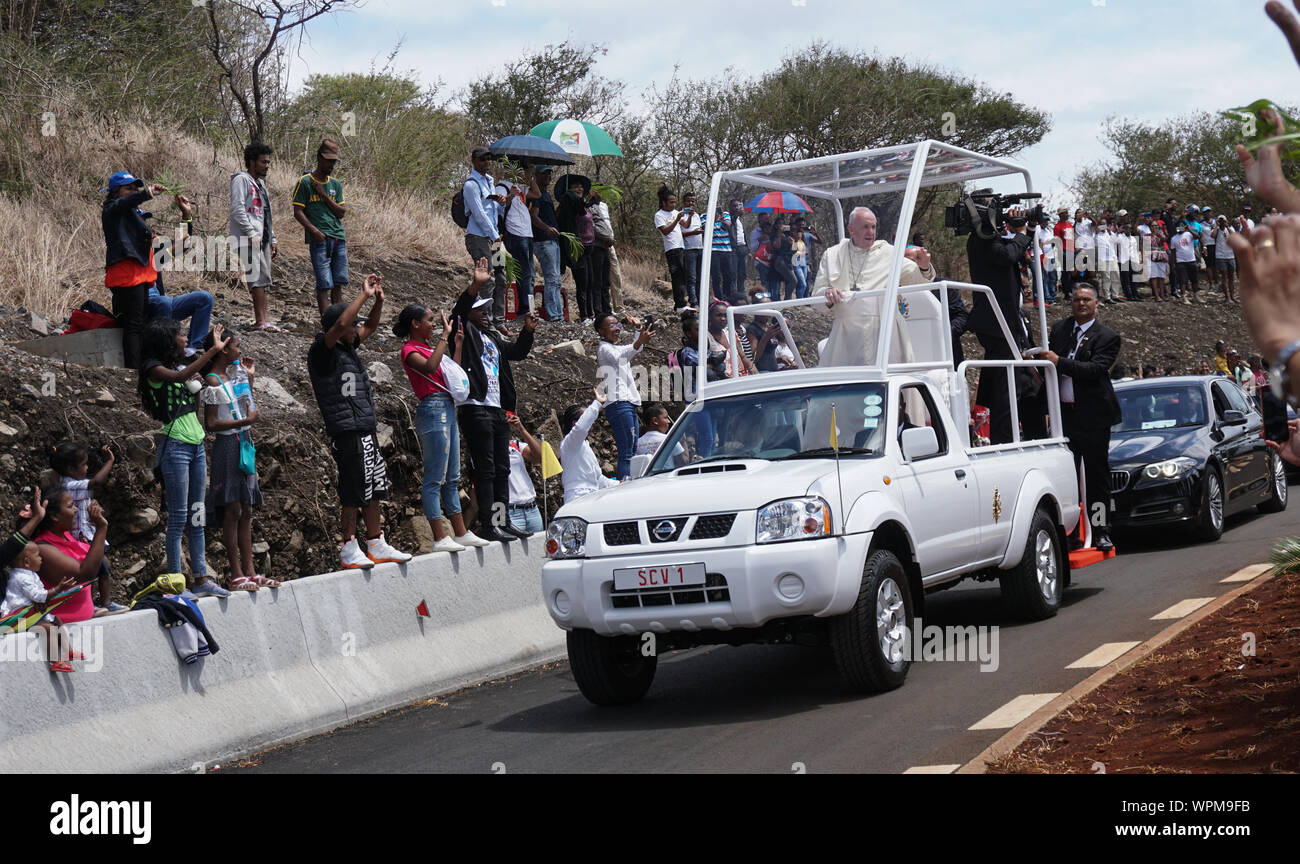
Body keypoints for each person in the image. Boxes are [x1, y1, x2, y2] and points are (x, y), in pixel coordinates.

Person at [307, 275, 412, 569]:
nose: (356, 330)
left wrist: (378, 301)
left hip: (364, 427)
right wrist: (362, 295)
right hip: (346, 430)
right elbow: (342, 324)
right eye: (353, 325)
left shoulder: (348, 347)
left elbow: (371, 326)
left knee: (374, 485)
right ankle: (349, 545)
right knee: (353, 490)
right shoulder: (321, 351)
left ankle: (376, 542)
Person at [139, 318, 231, 595]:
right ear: (168, 340)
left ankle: (201, 579)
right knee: (179, 517)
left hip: (196, 442)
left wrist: (198, 387)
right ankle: (176, 582)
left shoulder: (179, 367)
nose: (184, 338)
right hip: (176, 444)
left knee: (197, 514)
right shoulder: (152, 368)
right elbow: (178, 379)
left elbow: (189, 399)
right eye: (180, 334)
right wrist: (213, 351)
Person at [394, 302, 489, 553]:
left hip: (447, 406)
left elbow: (450, 373)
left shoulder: (427, 347)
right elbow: (429, 367)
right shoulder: (409, 349)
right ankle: (439, 535)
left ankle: (460, 532)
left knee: (452, 476)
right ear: (415, 324)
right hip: (433, 408)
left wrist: (455, 344)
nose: (434, 325)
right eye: (429, 320)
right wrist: (444, 338)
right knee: (435, 478)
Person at [1033, 283, 1120, 552]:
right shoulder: (1060, 329)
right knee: (1067, 479)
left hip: (1093, 417)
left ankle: (1101, 529)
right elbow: (1052, 367)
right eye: (1076, 300)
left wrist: (1059, 362)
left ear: (1096, 303)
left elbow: (1094, 369)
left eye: (1086, 300)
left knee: (1096, 479)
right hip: (1065, 416)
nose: (1081, 304)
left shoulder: (1107, 336)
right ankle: (1070, 532)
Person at [454, 287, 538, 542]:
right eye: (480, 309)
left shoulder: (491, 337)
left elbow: (518, 353)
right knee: (486, 470)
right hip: (475, 407)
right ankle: (490, 525)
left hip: (497, 409)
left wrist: (528, 331)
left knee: (502, 469)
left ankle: (503, 522)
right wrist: (473, 287)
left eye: (487, 309)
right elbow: (458, 311)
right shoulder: (464, 332)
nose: (485, 314)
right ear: (469, 311)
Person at [102, 172, 208, 366]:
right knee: (144, 318)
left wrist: (186, 215)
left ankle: (189, 351)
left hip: (152, 295)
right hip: (135, 287)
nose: (145, 229)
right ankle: (146, 366)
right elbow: (121, 205)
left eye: (143, 223)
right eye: (129, 188)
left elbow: (184, 243)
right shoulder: (112, 210)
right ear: (116, 192)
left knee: (203, 298)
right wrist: (147, 193)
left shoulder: (150, 252)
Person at [200, 328, 277, 590]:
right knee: (232, 510)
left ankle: (251, 570)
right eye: (236, 347)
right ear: (223, 349)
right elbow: (210, 423)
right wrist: (244, 421)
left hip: (244, 442)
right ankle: (236, 573)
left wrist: (251, 380)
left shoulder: (234, 376)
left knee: (246, 508)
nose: (240, 351)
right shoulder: (212, 380)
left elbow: (245, 403)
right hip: (228, 445)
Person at [814, 206, 936, 368]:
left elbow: (919, 283)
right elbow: (817, 300)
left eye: (873, 227)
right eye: (865, 227)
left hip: (885, 333)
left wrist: (924, 267)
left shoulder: (889, 253)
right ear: (851, 229)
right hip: (847, 336)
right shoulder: (833, 255)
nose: (871, 232)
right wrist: (828, 294)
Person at [967, 206, 1034, 443]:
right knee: (1006, 388)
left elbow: (1015, 250)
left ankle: (1004, 436)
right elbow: (1006, 256)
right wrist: (1021, 232)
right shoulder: (983, 235)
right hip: (997, 322)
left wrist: (1026, 231)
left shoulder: (989, 236)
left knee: (1006, 385)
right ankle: (1004, 440)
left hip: (1002, 320)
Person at [48, 442, 124, 614]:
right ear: (70, 469)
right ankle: (97, 603)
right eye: (84, 464)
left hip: (88, 535)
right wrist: (110, 461)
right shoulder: (68, 485)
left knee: (102, 567)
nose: (87, 467)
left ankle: (104, 602)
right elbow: (97, 481)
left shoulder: (73, 483)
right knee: (95, 570)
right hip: (81, 538)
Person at [34, 485, 109, 622]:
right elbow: (84, 574)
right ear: (55, 516)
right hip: (62, 624)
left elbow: (103, 563)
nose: (76, 510)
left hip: (84, 619)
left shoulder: (67, 536)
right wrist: (101, 528)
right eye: (70, 506)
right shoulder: (43, 548)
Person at [2, 539, 78, 673]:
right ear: (26, 561)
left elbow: (42, 596)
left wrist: (57, 598)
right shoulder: (21, 578)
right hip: (21, 618)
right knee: (49, 629)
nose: (41, 559)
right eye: (37, 555)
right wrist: (58, 589)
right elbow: (38, 596)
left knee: (57, 620)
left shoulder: (30, 575)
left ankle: (69, 651)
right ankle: (55, 661)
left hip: (32, 614)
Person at [596, 312, 656, 480]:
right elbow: (620, 358)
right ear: (601, 331)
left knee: (633, 448)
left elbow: (635, 349)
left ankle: (632, 481)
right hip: (618, 403)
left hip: (628, 402)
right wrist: (638, 341)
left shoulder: (615, 347)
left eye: (619, 325)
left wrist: (638, 329)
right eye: (612, 326)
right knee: (626, 453)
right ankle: (625, 485)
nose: (617, 329)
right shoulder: (604, 349)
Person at [293, 138, 348, 315]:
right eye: (328, 160)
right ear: (319, 158)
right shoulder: (305, 182)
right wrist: (314, 231)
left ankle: (339, 321)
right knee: (324, 283)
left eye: (334, 161)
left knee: (338, 282)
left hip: (338, 237)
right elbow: (298, 211)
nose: (331, 164)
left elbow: (341, 212)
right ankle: (327, 323)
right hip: (320, 239)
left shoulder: (335, 184)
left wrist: (324, 196)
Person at [229, 141, 280, 332]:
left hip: (262, 237)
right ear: (252, 162)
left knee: (263, 277)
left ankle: (265, 319)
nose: (267, 166)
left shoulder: (260, 185)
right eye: (263, 162)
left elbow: (265, 214)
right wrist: (250, 233)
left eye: (268, 162)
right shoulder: (241, 180)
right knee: (256, 277)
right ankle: (260, 321)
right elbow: (237, 209)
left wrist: (272, 238)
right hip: (248, 236)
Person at [463, 147, 508, 329]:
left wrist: (503, 202)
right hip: (479, 237)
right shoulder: (471, 185)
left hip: (493, 237)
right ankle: (485, 322)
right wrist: (495, 235)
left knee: (501, 277)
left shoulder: (490, 181)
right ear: (473, 161)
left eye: (488, 159)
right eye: (482, 159)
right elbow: (479, 214)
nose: (486, 162)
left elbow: (493, 211)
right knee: (487, 279)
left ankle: (499, 320)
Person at [559, 390, 619, 504]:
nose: (591, 423)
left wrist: (619, 484)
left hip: (591, 495)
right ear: (575, 423)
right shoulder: (570, 443)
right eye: (586, 419)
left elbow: (598, 478)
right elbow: (581, 428)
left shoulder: (584, 445)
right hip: (577, 496)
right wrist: (597, 403)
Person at [497, 160, 539, 317]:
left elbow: (537, 194)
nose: (529, 174)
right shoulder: (503, 186)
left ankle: (528, 309)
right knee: (524, 273)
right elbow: (498, 205)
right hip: (515, 234)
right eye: (528, 171)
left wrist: (531, 179)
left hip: (527, 234)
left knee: (529, 273)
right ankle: (525, 311)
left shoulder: (521, 188)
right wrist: (510, 194)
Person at [557, 175, 597, 324]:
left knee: (590, 282)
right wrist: (583, 198)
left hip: (588, 247)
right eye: (575, 187)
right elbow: (577, 209)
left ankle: (591, 313)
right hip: (577, 247)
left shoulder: (583, 205)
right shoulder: (571, 204)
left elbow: (584, 207)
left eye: (580, 187)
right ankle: (584, 315)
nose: (579, 189)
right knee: (582, 282)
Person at [530, 166, 564, 321]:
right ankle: (554, 315)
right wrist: (547, 228)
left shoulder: (546, 195)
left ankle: (558, 314)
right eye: (544, 173)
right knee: (551, 278)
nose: (548, 176)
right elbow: (533, 217)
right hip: (543, 240)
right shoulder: (536, 194)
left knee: (556, 279)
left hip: (553, 240)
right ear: (536, 175)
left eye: (549, 173)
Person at [504, 413, 544, 535]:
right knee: (509, 551)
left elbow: (540, 457)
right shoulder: (487, 447)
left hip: (531, 508)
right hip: (507, 510)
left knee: (538, 550)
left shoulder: (515, 444)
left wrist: (521, 428)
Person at [655, 185, 691, 313]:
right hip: (672, 249)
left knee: (684, 276)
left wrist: (689, 216)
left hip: (681, 247)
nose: (673, 205)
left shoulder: (676, 212)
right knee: (677, 277)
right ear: (663, 202)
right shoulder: (659, 215)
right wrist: (676, 220)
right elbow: (665, 231)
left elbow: (686, 225)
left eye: (675, 202)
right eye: (671, 202)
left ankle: (682, 303)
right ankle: (680, 304)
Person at [707, 301, 758, 377]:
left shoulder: (730, 333)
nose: (723, 319)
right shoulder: (706, 337)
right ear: (709, 316)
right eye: (718, 315)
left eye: (726, 315)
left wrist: (752, 368)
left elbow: (743, 357)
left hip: (741, 377)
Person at [589, 186, 618, 316]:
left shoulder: (601, 207)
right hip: (596, 246)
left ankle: (607, 309)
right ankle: (598, 311)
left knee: (605, 281)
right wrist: (607, 237)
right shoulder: (587, 207)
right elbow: (593, 227)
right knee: (597, 281)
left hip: (605, 246)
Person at [679, 192, 705, 306]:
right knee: (691, 277)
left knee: (700, 277)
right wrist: (693, 232)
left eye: (692, 201)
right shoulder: (680, 215)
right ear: (684, 202)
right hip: (689, 250)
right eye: (688, 201)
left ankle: (700, 300)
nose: (690, 203)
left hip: (700, 248)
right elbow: (681, 233)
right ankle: (693, 300)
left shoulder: (697, 215)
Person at [710, 203, 736, 304]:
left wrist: (721, 219)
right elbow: (705, 228)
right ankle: (718, 298)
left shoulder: (725, 214)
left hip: (726, 250)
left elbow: (728, 226)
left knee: (728, 276)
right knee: (716, 276)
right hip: (713, 250)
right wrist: (713, 218)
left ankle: (727, 297)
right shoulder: (704, 216)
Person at [767, 217, 799, 301]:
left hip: (788, 261)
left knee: (790, 281)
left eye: (783, 223)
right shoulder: (774, 235)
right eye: (779, 223)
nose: (782, 225)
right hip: (780, 261)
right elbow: (776, 246)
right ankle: (787, 300)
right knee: (793, 280)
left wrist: (795, 240)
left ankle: (787, 300)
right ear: (776, 225)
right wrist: (779, 234)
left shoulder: (787, 235)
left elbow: (794, 250)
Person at [1213, 215, 1239, 302]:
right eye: (1220, 220)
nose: (1222, 222)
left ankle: (1232, 296)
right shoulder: (1216, 230)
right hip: (1220, 256)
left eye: (1223, 220)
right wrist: (1217, 226)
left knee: (1231, 277)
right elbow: (1213, 235)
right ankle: (1227, 298)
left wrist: (1227, 226)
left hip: (1230, 255)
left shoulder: (1230, 229)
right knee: (1224, 277)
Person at [728, 198, 750, 301]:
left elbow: (744, 235)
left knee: (743, 274)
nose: (737, 208)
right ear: (730, 208)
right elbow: (730, 224)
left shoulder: (741, 220)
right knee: (733, 275)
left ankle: (742, 296)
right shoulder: (729, 218)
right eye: (734, 206)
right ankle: (733, 297)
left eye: (738, 206)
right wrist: (736, 215)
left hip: (743, 249)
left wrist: (748, 250)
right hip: (733, 250)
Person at [1035, 213, 1058, 304]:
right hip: (1044, 257)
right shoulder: (1038, 230)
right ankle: (1047, 297)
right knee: (1045, 278)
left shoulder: (1049, 230)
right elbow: (1039, 243)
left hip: (1051, 255)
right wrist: (1043, 254)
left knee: (1052, 278)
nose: (1045, 222)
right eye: (1044, 220)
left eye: (1047, 220)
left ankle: (1052, 296)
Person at [1053, 207, 1075, 299]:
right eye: (1065, 213)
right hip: (1064, 251)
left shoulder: (1069, 224)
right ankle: (1066, 293)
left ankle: (1070, 290)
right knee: (1065, 273)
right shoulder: (1057, 227)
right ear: (1061, 215)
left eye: (1067, 212)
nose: (1067, 214)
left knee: (1071, 272)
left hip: (1071, 250)